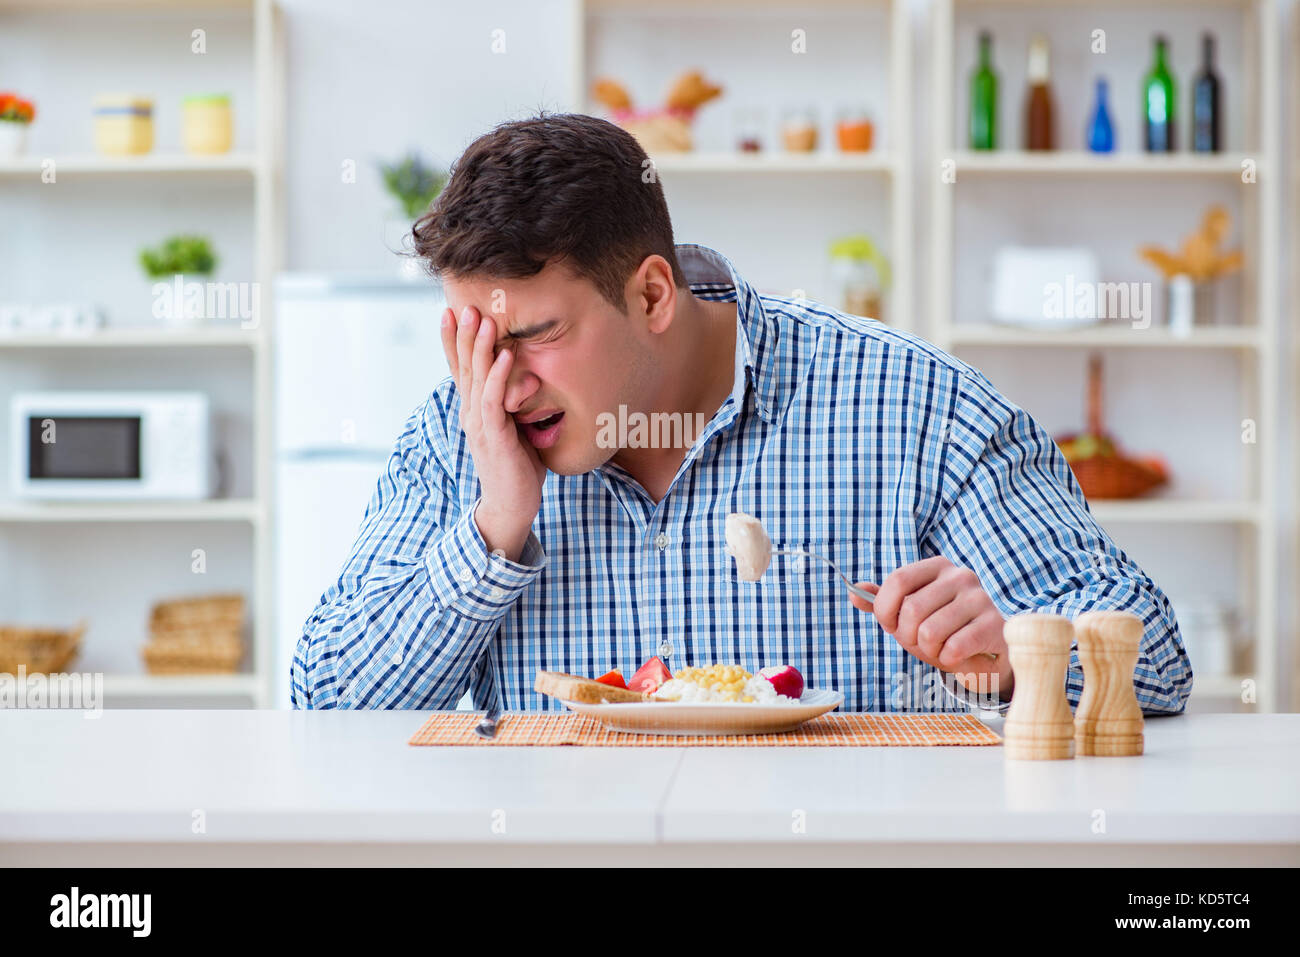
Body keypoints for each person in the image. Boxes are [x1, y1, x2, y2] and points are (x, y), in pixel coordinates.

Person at [291, 112, 1191, 714]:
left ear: (650, 295)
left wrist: (1018, 654)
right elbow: (325, 704)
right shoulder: (458, 441)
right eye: (474, 342)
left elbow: (1156, 664)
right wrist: (493, 527)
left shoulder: (919, 409)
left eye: (536, 334)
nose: (502, 382)